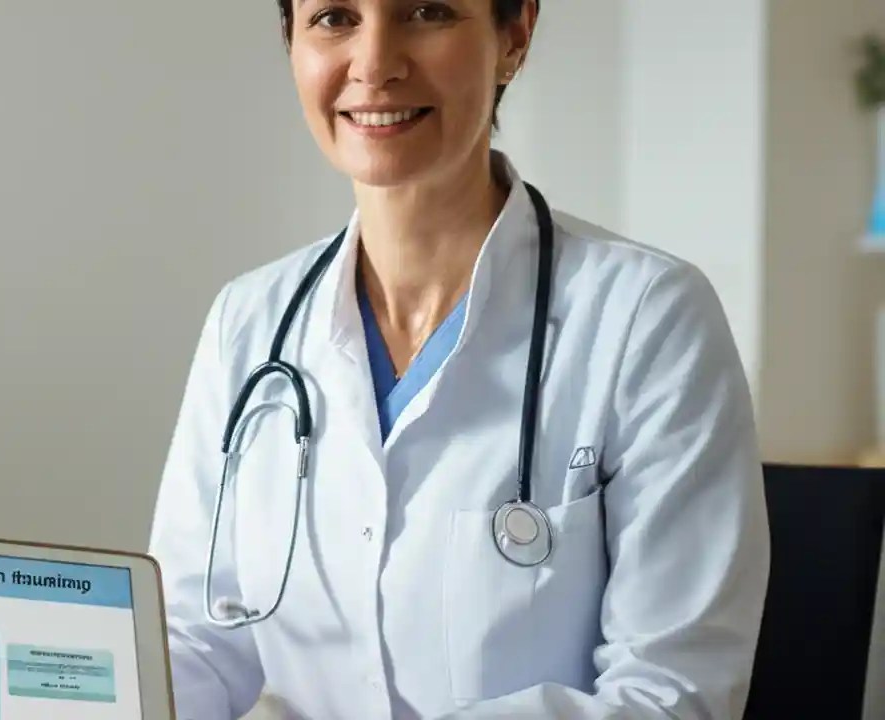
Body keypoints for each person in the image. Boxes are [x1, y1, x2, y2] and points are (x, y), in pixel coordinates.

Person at [147, 0, 771, 717]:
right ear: (292, 42)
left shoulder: (648, 317)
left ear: (515, 35)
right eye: (334, 18)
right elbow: (195, 641)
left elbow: (672, 694)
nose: (376, 64)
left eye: (426, 11)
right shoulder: (249, 322)